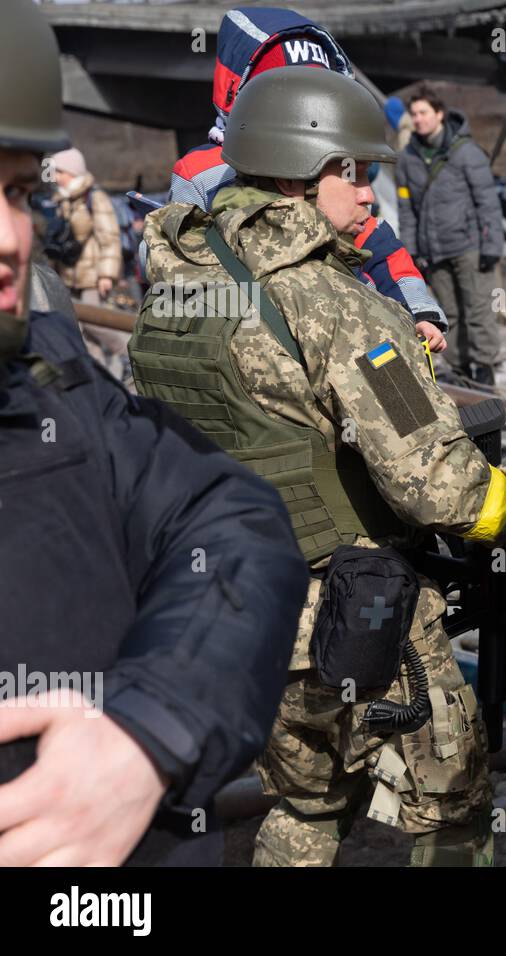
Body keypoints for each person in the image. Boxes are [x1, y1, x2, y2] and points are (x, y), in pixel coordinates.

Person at [131, 65, 506, 867]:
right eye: (354, 172)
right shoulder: (335, 303)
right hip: (353, 611)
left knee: (303, 808)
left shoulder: (176, 286)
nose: (370, 195)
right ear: (300, 175)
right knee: (451, 813)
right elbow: (437, 482)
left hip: (228, 609)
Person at [0, 0, 308, 866]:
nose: (11, 237)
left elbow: (227, 517)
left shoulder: (45, 369)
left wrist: (150, 727)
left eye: (18, 192)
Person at [164, 7, 448, 351]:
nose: (366, 194)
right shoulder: (201, 173)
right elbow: (174, 275)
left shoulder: (344, 180)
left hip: (346, 343)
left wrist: (419, 311)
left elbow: (383, 252)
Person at [396, 83, 505, 386]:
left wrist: (491, 245)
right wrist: (412, 252)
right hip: (434, 251)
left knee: (478, 310)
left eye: (423, 112)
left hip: (469, 245)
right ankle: (459, 373)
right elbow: (407, 210)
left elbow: (487, 200)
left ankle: (484, 371)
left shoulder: (465, 152)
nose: (418, 119)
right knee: (449, 315)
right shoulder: (407, 159)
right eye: (414, 114)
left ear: (439, 114)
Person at [47, 146, 132, 382]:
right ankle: (101, 379)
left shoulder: (94, 197)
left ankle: (130, 354)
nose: (54, 178)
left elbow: (110, 237)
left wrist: (106, 274)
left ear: (71, 172)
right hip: (69, 276)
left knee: (95, 322)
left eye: (59, 172)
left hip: (93, 276)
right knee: (83, 332)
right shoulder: (62, 201)